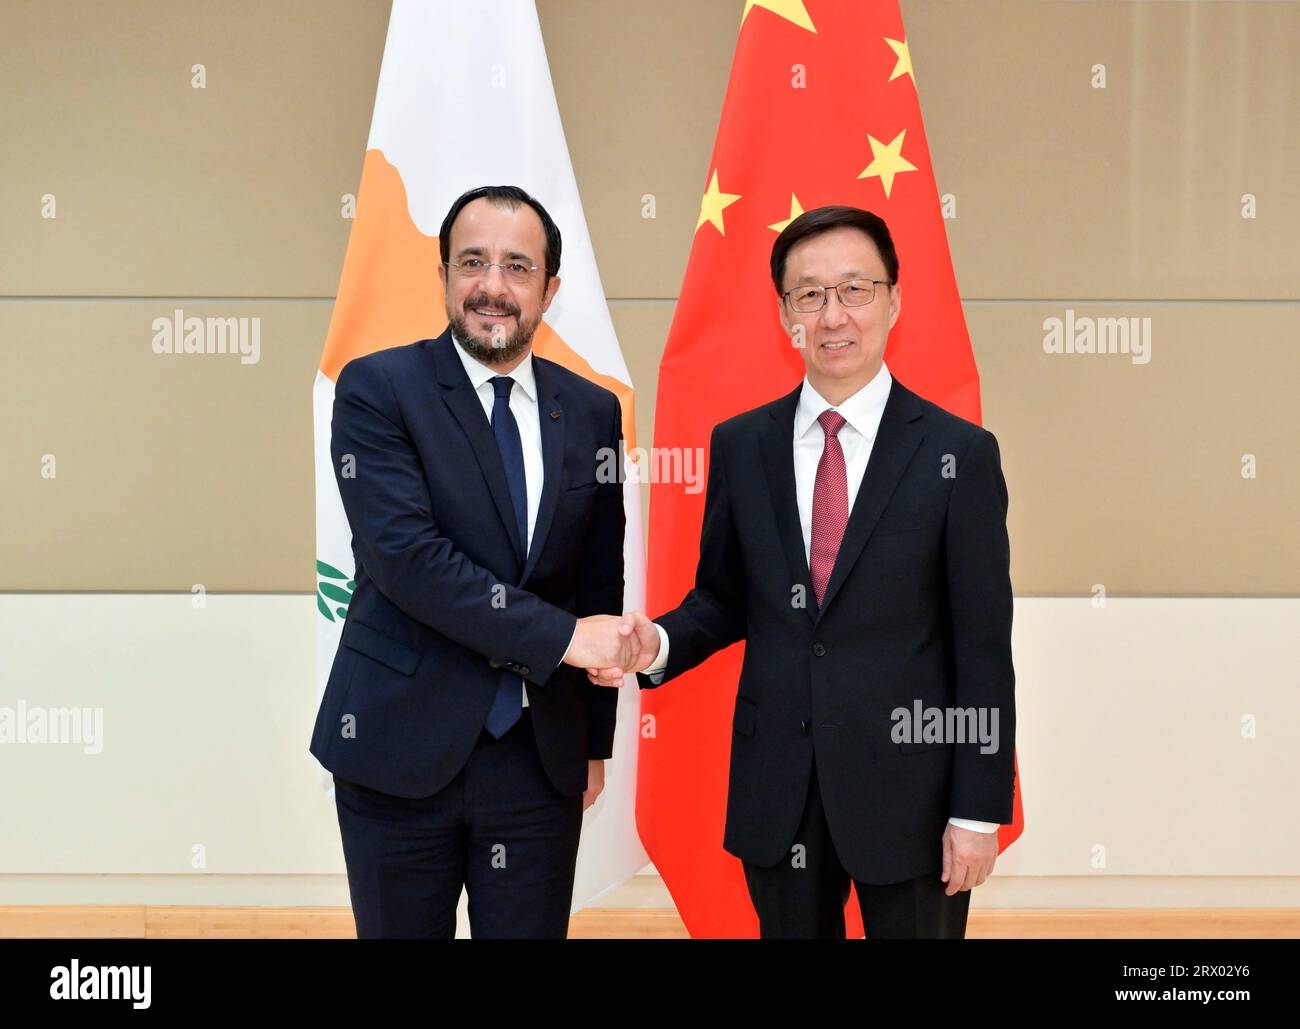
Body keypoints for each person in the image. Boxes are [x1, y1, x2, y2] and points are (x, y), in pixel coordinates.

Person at [590, 205, 1016, 938]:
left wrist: (976, 812)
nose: (833, 315)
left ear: (894, 300)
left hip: (911, 797)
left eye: (855, 289)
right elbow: (723, 600)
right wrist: (653, 643)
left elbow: (982, 650)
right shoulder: (741, 445)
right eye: (809, 295)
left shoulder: (960, 456)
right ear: (784, 311)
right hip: (779, 789)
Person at [310, 184, 642, 938]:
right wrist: (563, 638)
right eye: (473, 263)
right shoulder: (377, 388)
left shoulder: (590, 411)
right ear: (444, 276)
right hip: (396, 747)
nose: (492, 286)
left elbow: (598, 579)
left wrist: (592, 739)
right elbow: (407, 559)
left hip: (536, 759)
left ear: (549, 289)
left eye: (517, 267)